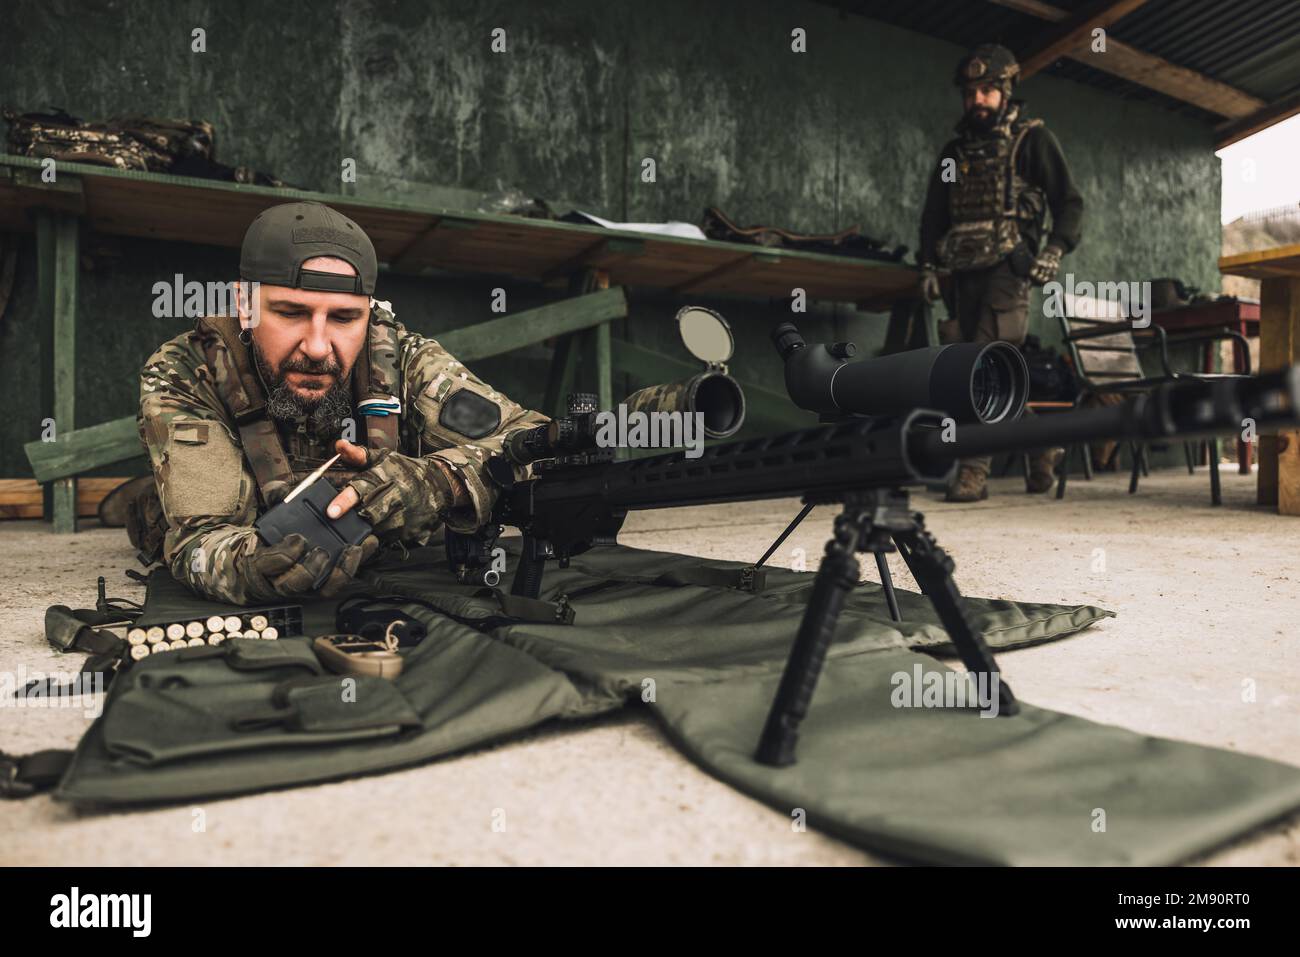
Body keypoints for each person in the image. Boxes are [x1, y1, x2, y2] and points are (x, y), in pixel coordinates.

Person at [137, 201, 547, 603]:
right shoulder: (189, 371)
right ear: (244, 306)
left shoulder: (400, 360)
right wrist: (251, 568)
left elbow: (539, 443)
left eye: (344, 318)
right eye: (291, 313)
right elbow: (199, 540)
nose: (317, 348)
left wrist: (436, 481)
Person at [918, 43, 1084, 501]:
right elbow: (934, 214)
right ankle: (1041, 444)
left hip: (1009, 271)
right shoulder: (956, 151)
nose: (978, 100)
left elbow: (1069, 202)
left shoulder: (1032, 141)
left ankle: (973, 469)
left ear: (1006, 90)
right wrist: (927, 263)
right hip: (961, 275)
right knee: (970, 372)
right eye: (971, 92)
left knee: (981, 368)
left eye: (988, 90)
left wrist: (1054, 248)